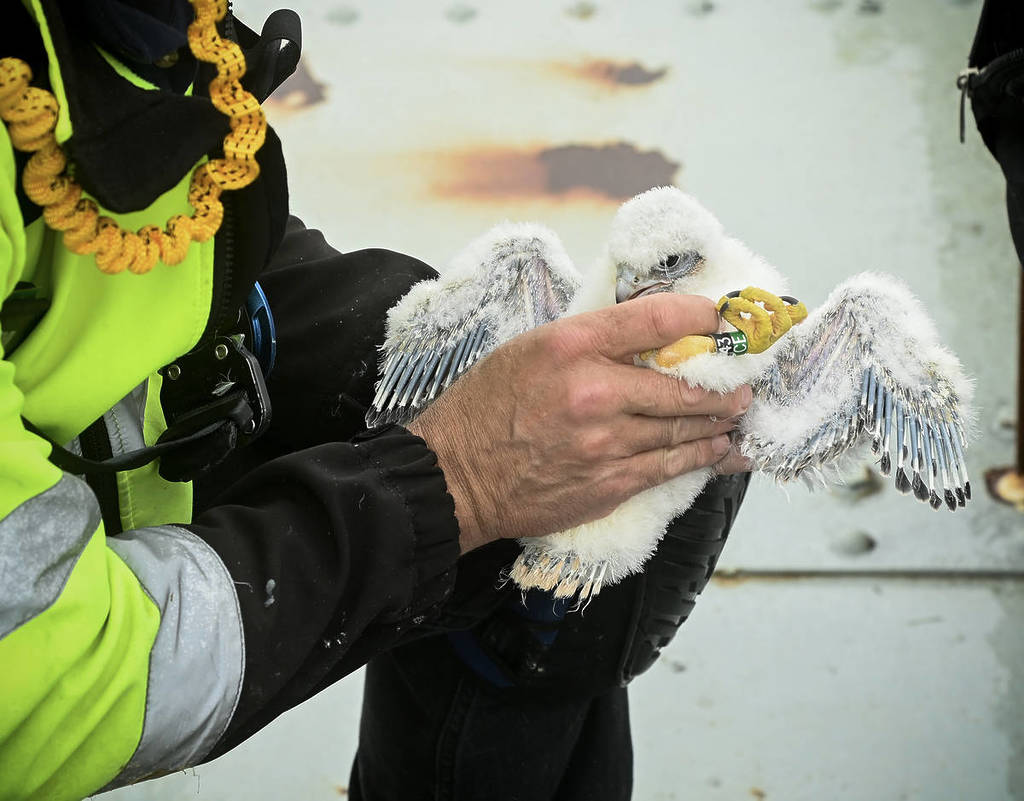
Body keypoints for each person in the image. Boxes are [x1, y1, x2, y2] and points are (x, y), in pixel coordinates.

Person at [0, 2, 750, 800]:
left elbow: (127, 227)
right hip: (59, 648)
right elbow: (43, 686)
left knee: (590, 494)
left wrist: (412, 344)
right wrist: (459, 483)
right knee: (523, 500)